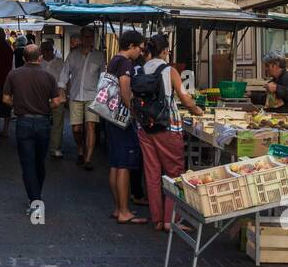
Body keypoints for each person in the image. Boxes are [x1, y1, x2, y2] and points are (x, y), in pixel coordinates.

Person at [132, 33, 204, 233]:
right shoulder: (169, 70)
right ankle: (171, 220)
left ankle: (157, 219)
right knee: (174, 173)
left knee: (152, 173)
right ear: (164, 51)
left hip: (145, 127)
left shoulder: (141, 69)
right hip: (168, 127)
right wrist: (198, 111)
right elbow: (186, 98)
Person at [3, 44, 62, 221]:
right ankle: (37, 196)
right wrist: (45, 107)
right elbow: (57, 101)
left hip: (24, 121)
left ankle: (35, 200)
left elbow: (5, 98)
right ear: (40, 57)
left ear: (23, 58)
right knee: (39, 162)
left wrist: (19, 105)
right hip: (43, 122)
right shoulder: (49, 76)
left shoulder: (13, 74)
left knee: (27, 164)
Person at [108, 30, 148, 225]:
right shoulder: (125, 63)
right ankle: (124, 211)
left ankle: (118, 208)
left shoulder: (113, 60)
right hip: (122, 118)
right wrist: (133, 110)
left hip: (111, 117)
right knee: (124, 164)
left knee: (115, 164)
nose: (141, 53)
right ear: (131, 45)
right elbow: (125, 89)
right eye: (140, 48)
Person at [60, 26, 106, 170]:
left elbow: (103, 77)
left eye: (89, 36)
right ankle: (80, 148)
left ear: (92, 38)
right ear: (81, 38)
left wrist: (103, 97)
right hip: (75, 95)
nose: (86, 39)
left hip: (92, 95)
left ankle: (88, 159)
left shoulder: (99, 56)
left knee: (90, 126)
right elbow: (64, 74)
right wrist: (62, 91)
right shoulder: (73, 55)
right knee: (76, 129)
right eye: (84, 36)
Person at [40, 39, 67, 159]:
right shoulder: (38, 63)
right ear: (41, 51)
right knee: (41, 122)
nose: (48, 52)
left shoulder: (60, 62)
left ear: (53, 50)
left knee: (58, 122)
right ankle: (41, 146)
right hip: (41, 96)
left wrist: (65, 94)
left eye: (50, 50)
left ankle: (55, 148)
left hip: (57, 94)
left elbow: (65, 78)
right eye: (45, 50)